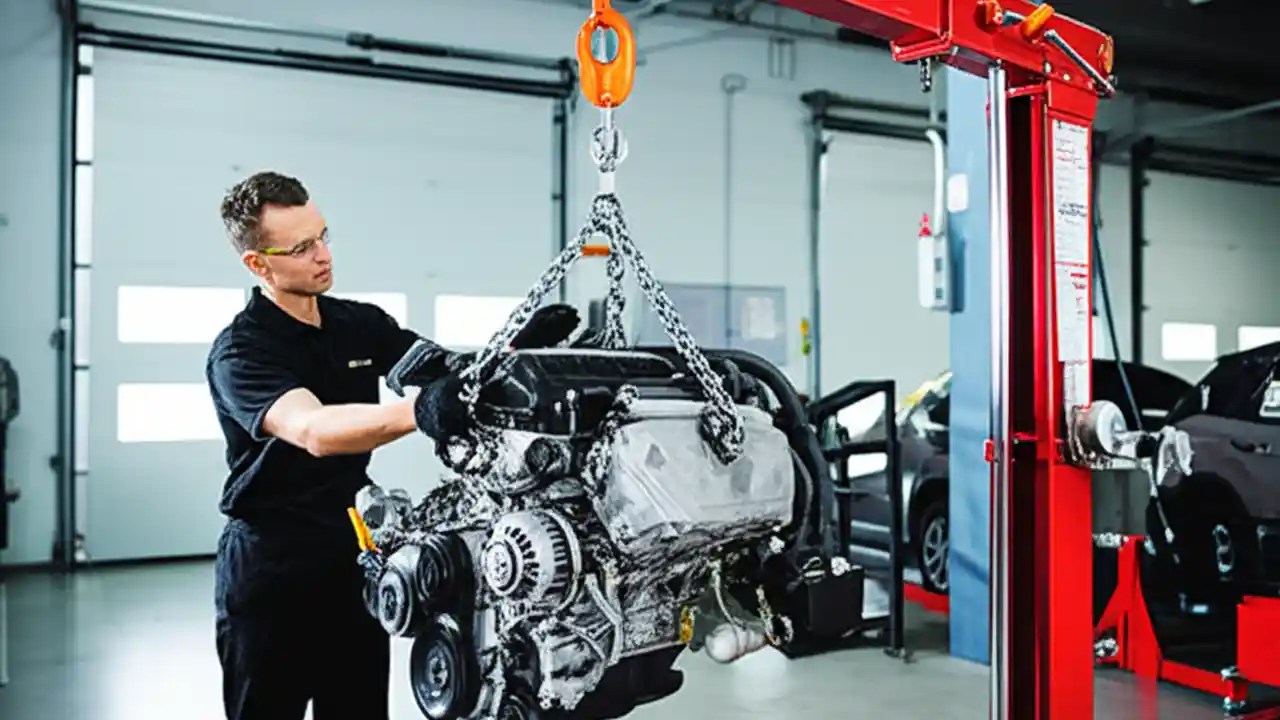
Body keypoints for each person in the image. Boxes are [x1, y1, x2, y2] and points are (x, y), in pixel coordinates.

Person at [205, 170, 578, 720]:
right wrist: (418, 413)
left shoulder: (359, 323)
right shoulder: (242, 350)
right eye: (301, 247)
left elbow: (442, 372)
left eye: (323, 236)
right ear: (258, 264)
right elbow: (314, 430)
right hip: (271, 567)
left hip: (353, 552)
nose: (323, 254)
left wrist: (509, 354)